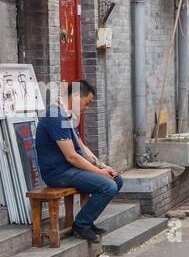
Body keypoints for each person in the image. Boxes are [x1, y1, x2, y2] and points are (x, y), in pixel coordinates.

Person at [34, 80, 123, 243]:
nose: (86, 107)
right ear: (75, 96)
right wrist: (99, 173)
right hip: (58, 173)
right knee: (108, 186)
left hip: (71, 169)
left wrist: (103, 166)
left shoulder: (66, 115)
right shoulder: (55, 116)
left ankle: (87, 221)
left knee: (116, 180)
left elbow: (81, 147)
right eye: (86, 102)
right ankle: (81, 224)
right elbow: (71, 156)